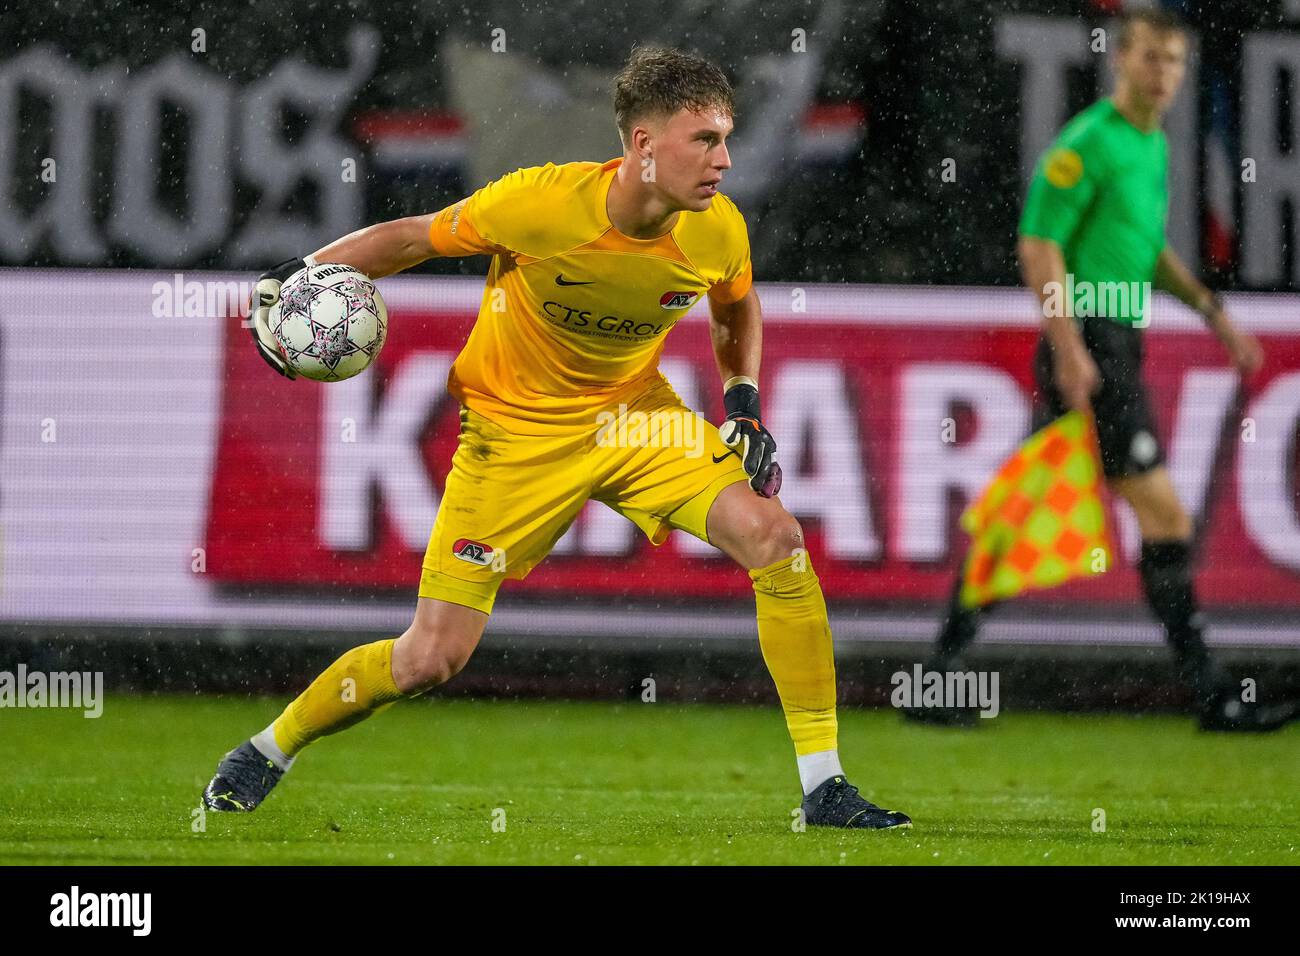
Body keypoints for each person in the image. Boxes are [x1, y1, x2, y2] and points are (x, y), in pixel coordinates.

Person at [203, 46, 912, 828]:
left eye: (725, 137)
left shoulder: (717, 231)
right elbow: (409, 237)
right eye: (703, 140)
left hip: (635, 418)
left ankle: (824, 786)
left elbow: (736, 308)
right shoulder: (540, 205)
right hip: (513, 438)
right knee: (429, 659)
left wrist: (741, 403)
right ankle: (268, 748)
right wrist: (295, 277)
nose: (724, 159)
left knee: (774, 537)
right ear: (643, 144)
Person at [906, 9, 1297, 732]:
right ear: (1122, 60)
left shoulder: (1150, 147)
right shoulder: (1086, 143)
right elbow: (1038, 247)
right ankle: (1213, 696)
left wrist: (1213, 313)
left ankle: (935, 676)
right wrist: (1069, 346)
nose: (1163, 74)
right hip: (1092, 345)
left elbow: (1142, 251)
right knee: (1164, 517)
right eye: (1151, 59)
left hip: (1109, 342)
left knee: (1027, 510)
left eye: (1175, 62)